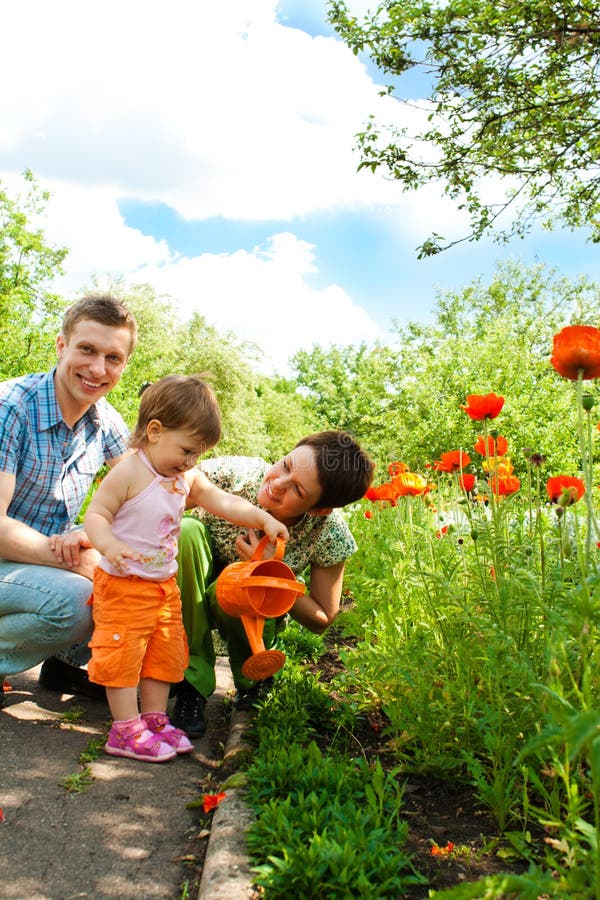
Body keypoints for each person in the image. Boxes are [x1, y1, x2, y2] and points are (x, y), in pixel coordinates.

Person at [83, 375, 289, 762]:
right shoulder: (128, 473)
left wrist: (263, 518)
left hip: (163, 587)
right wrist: (108, 543)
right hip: (123, 584)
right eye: (187, 450)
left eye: (198, 454)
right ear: (156, 431)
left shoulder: (185, 477)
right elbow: (97, 514)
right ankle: (124, 730)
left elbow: (221, 500)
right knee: (123, 654)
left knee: (164, 653)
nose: (191, 461)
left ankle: (154, 719)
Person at [171, 431, 375, 736]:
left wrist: (274, 572)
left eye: (297, 489)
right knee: (186, 530)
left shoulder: (329, 533)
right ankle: (190, 682)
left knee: (250, 583)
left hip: (250, 614)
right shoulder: (235, 475)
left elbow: (321, 619)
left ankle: (254, 682)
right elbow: (159, 489)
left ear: (319, 509)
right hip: (191, 594)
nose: (277, 483)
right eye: (286, 465)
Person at [0, 294, 137, 708]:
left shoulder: (105, 421)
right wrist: (76, 556)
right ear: (61, 346)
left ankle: (67, 664)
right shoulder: (11, 408)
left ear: (124, 365)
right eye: (87, 350)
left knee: (139, 581)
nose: (98, 369)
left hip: (38, 563)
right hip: (12, 559)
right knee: (76, 603)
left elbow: (148, 490)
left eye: (113, 357)